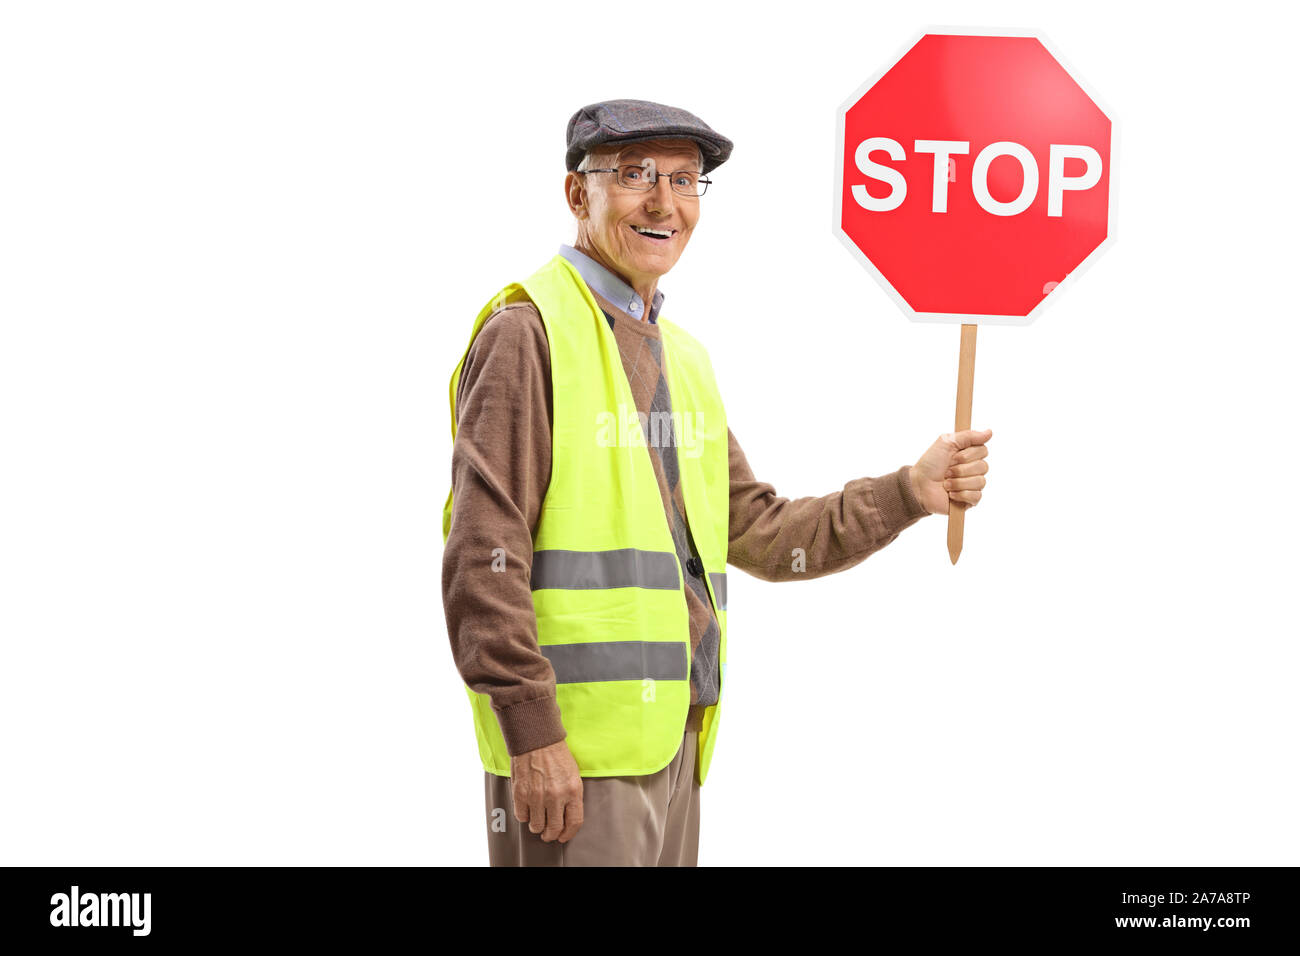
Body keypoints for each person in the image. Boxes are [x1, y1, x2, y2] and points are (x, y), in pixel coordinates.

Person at [441, 98, 992, 866]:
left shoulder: (685, 359)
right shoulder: (528, 335)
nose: (665, 203)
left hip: (676, 744)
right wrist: (532, 734)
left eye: (685, 180)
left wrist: (908, 492)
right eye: (634, 176)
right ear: (578, 195)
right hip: (575, 760)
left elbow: (761, 535)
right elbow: (481, 556)